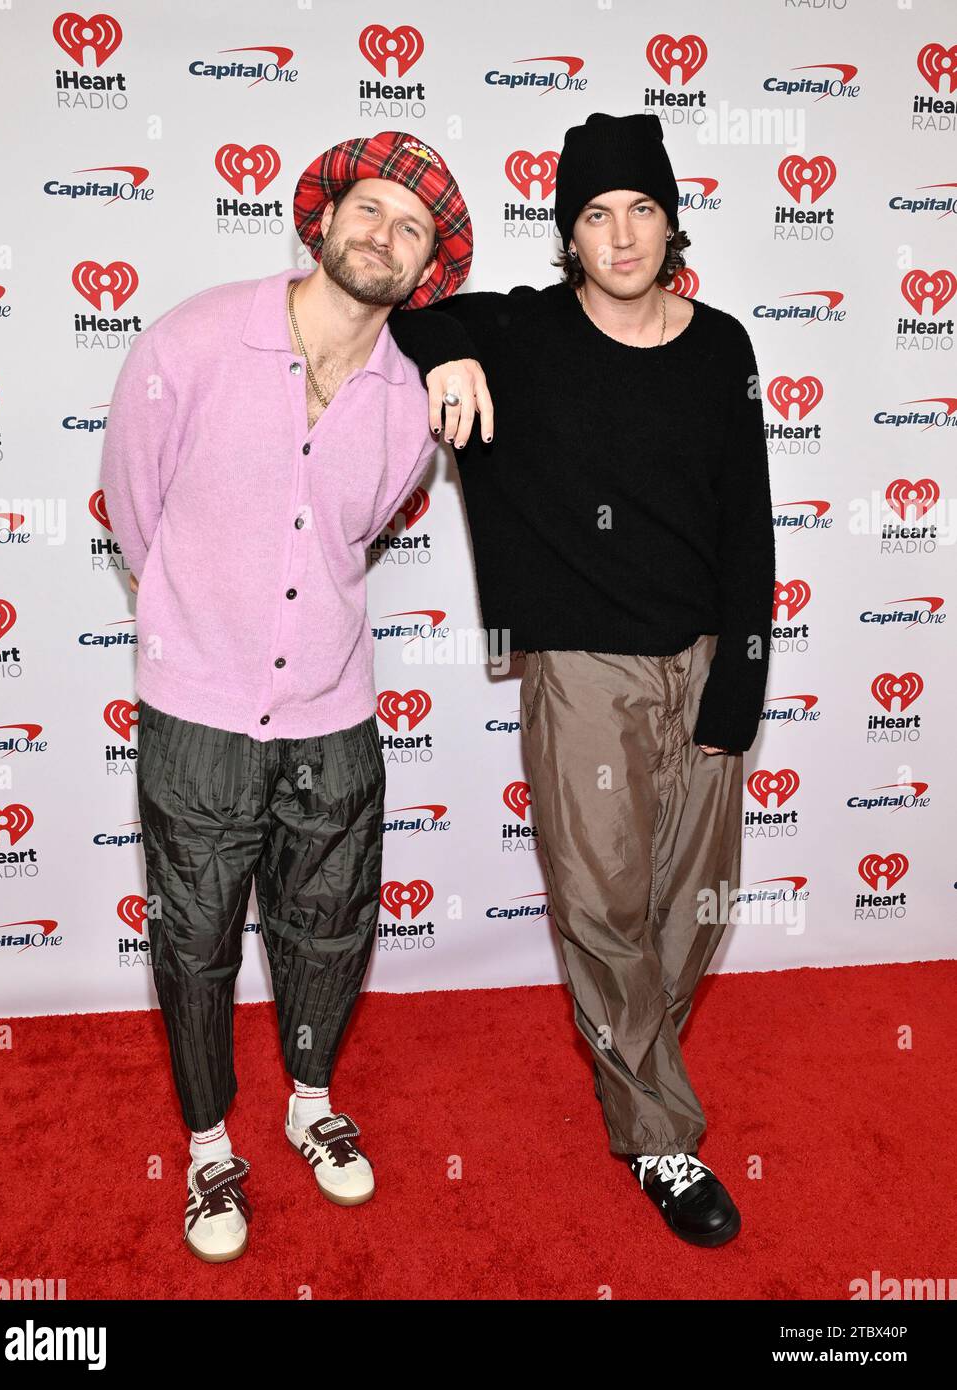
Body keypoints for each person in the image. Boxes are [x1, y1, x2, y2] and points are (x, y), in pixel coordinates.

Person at [386, 112, 776, 1247]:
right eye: (595, 214)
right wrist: (445, 349)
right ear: (567, 233)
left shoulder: (723, 345)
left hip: (703, 656)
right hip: (583, 674)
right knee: (605, 913)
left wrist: (739, 684)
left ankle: (633, 1058)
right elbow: (392, 318)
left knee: (692, 909)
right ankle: (661, 1139)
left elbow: (747, 523)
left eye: (641, 210)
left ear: (669, 223)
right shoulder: (523, 331)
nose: (620, 234)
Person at [99, 131, 483, 1262]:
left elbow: (356, 533)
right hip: (197, 713)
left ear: (425, 273)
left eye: (411, 229)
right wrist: (192, 630)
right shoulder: (193, 337)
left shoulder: (414, 396)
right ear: (320, 219)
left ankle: (310, 1104)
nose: (383, 234)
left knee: (328, 930)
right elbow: (132, 508)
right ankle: (210, 1143)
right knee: (197, 941)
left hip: (332, 710)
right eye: (369, 208)